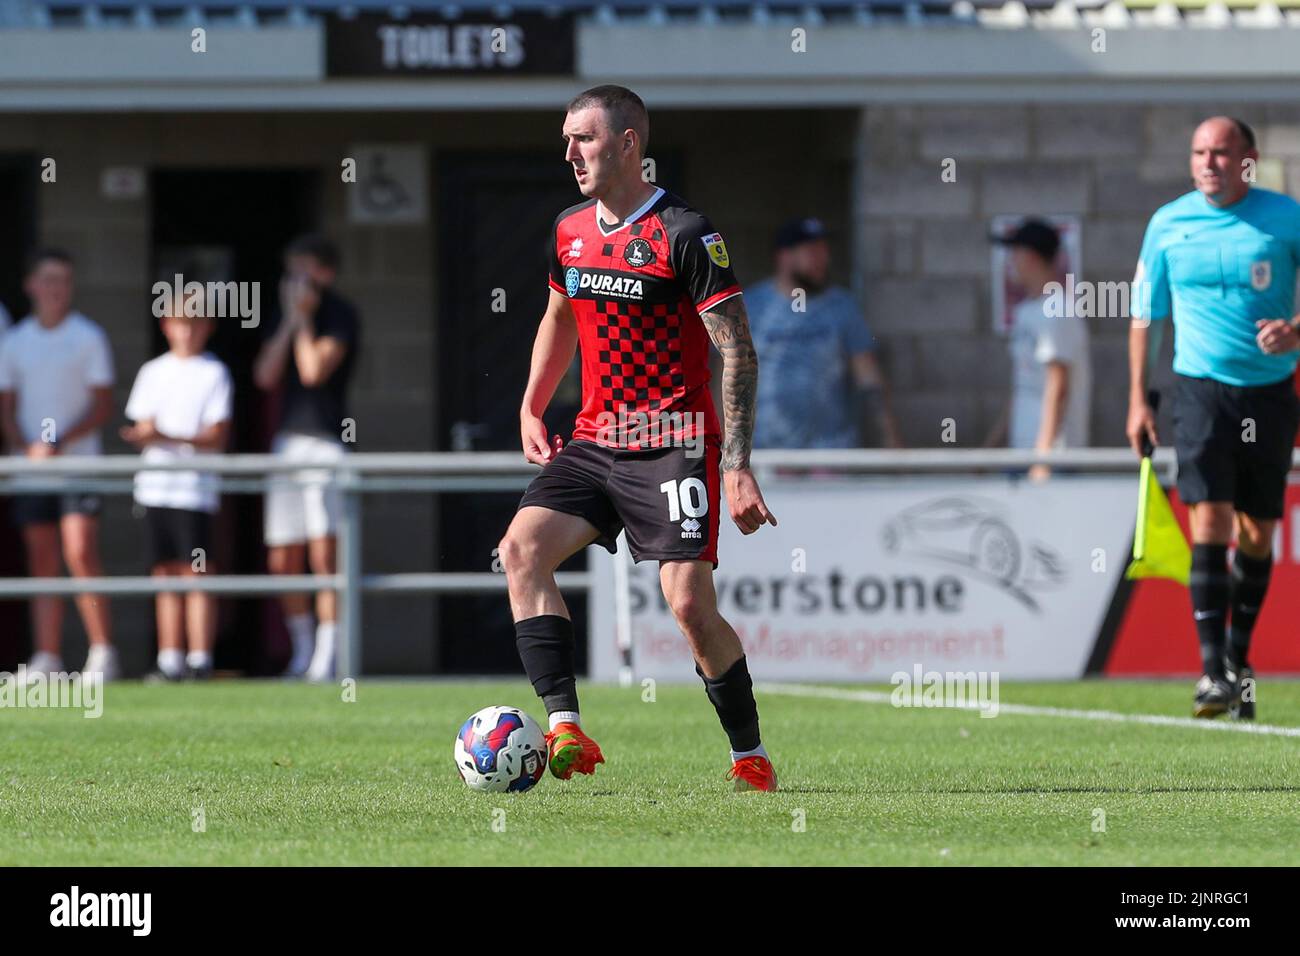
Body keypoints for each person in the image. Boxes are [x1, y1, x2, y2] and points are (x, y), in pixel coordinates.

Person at [497, 85, 780, 792]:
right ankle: (564, 727)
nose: (570, 153)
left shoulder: (685, 233)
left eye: (583, 139)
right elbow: (559, 319)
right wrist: (533, 405)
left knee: (688, 605)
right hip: (596, 437)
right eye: (565, 138)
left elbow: (738, 351)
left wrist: (737, 465)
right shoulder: (569, 230)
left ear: (628, 144)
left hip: (673, 439)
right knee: (520, 551)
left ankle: (749, 755)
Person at [1127, 116, 1300, 719]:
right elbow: (1144, 313)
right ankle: (1210, 672)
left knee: (1256, 533)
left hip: (1270, 395)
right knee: (1210, 519)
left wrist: (1295, 329)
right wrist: (1137, 399)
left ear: (1247, 160)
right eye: (1199, 152)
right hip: (1198, 392)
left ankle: (1237, 657)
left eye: (1221, 153)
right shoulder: (1169, 224)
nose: (1209, 163)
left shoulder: (1284, 217)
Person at [0, 248, 117, 682]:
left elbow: (102, 405)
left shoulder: (88, 336)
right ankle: (47, 657)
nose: (55, 289)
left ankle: (103, 653)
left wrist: (56, 440)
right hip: (31, 473)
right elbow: (6, 408)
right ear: (31, 285)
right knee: (42, 561)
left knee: (80, 551)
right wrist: (25, 447)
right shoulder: (14, 342)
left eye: (64, 281)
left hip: (80, 468)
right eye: (48, 280)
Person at [253, 235, 359, 682]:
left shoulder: (340, 315)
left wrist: (304, 322)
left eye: (306, 271)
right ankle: (301, 647)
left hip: (326, 443)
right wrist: (291, 321)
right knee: (282, 557)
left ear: (326, 272)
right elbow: (264, 376)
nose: (297, 281)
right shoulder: (289, 316)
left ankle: (327, 655)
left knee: (323, 553)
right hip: (287, 444)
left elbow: (314, 370)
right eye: (291, 271)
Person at [122, 294, 232, 681]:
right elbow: (141, 427)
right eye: (180, 323)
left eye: (196, 323)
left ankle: (201, 658)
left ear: (208, 328)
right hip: (155, 491)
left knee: (197, 573)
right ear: (166, 326)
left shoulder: (214, 372)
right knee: (164, 573)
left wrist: (163, 435)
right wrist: (152, 435)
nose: (187, 332)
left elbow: (216, 434)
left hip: (194, 492)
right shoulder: (153, 371)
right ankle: (171, 659)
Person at [746, 217, 901, 449]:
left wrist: (891, 441)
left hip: (830, 452)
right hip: (766, 455)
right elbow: (728, 378)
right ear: (784, 256)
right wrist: (724, 448)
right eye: (812, 251)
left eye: (824, 251)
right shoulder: (751, 306)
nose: (822, 259)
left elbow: (869, 380)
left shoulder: (842, 307)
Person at [987, 218, 1092, 478]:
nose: (1010, 261)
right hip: (1021, 452)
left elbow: (1058, 385)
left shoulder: (1058, 310)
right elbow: (1022, 386)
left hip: (1052, 458)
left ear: (1031, 257)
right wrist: (990, 448)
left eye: (1014, 253)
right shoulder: (1026, 312)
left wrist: (1042, 459)